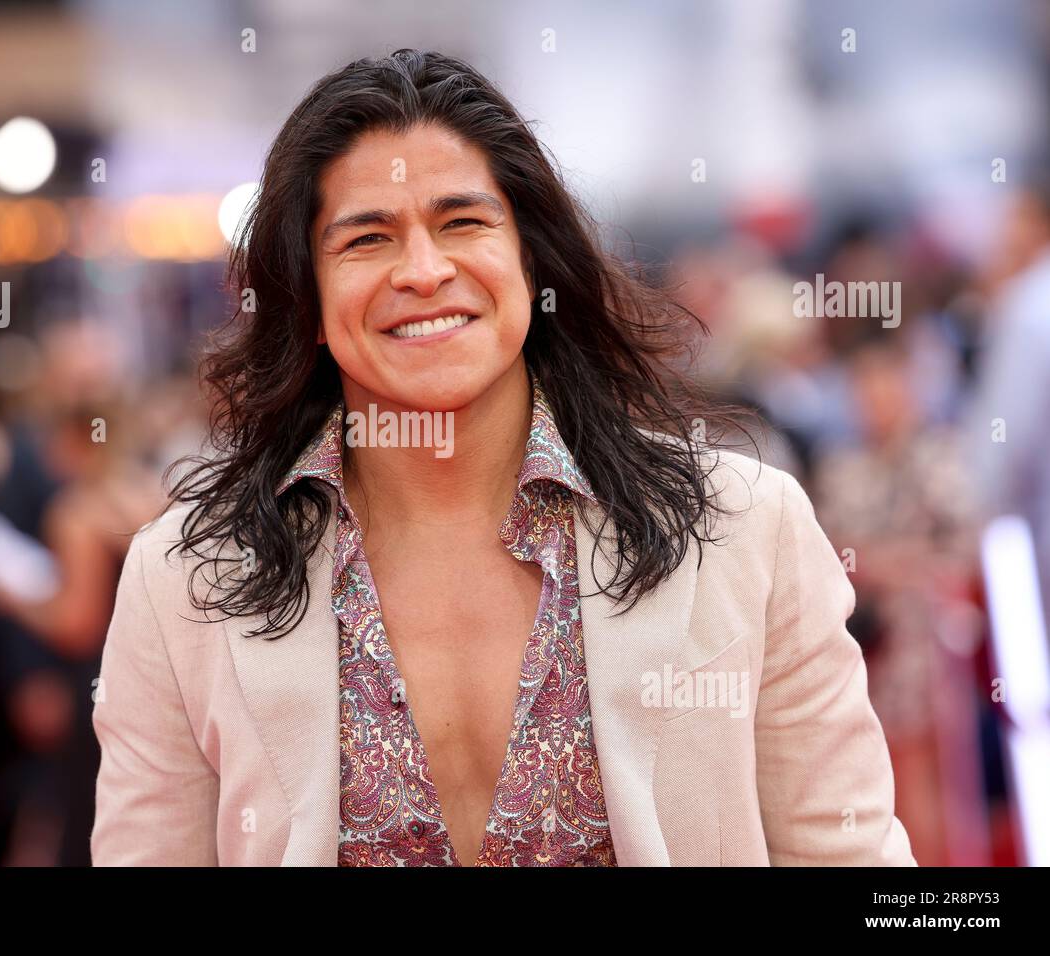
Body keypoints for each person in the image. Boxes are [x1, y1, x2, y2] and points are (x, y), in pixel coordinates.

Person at [90, 49, 915, 867]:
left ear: (530, 262)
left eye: (462, 222)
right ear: (307, 301)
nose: (423, 270)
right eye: (367, 238)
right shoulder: (181, 583)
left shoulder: (747, 528)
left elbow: (851, 861)